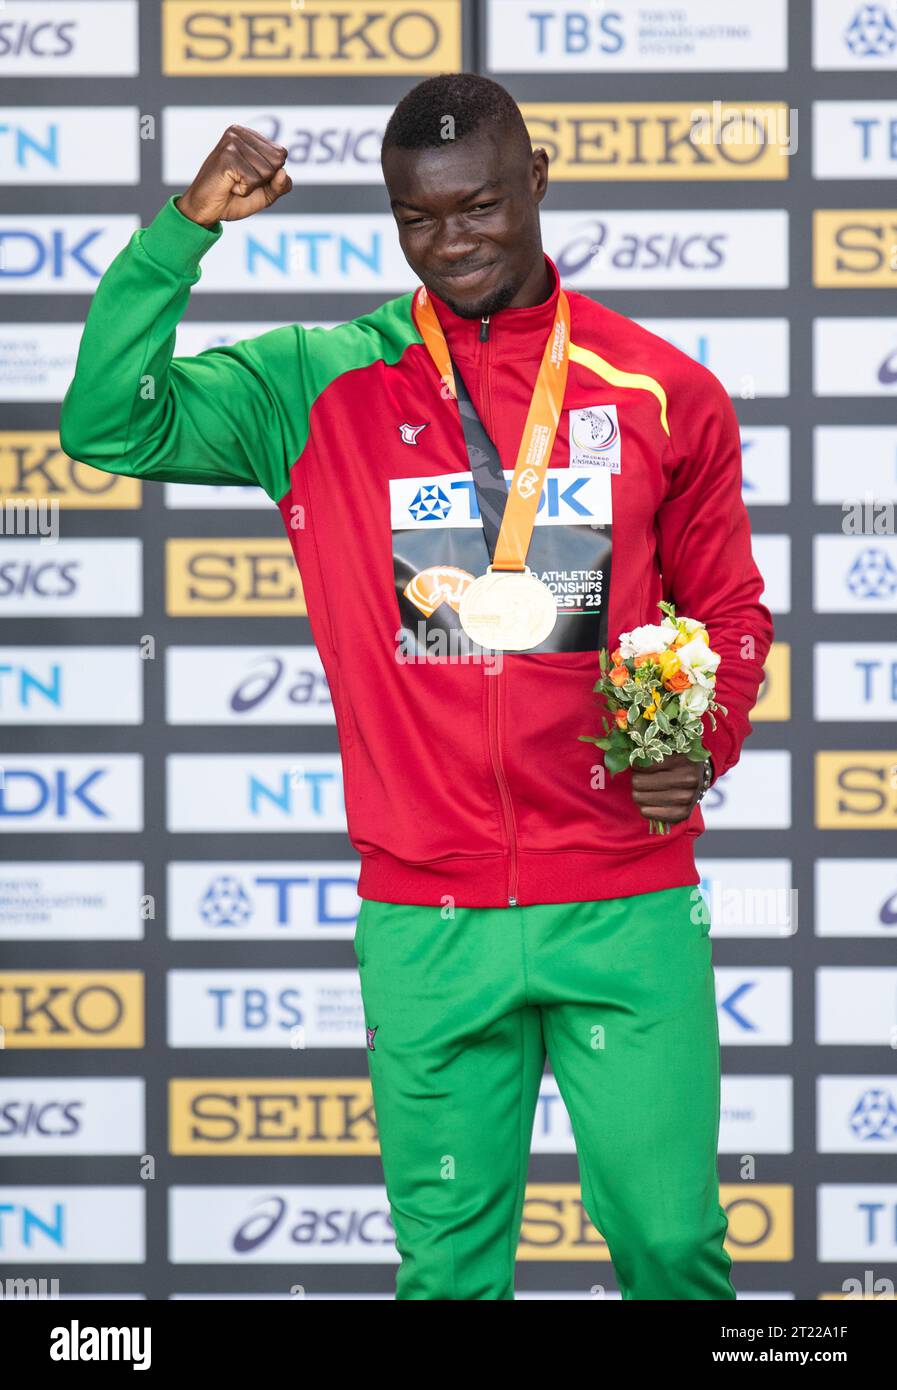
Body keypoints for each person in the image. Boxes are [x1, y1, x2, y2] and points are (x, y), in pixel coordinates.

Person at [60, 73, 774, 1300]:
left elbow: (730, 612)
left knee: (670, 1251)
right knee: (447, 1276)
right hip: (427, 921)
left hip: (623, 902)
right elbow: (108, 426)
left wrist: (703, 738)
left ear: (539, 181)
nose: (452, 246)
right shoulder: (318, 384)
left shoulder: (661, 388)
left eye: (481, 208)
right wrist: (185, 230)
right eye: (419, 220)